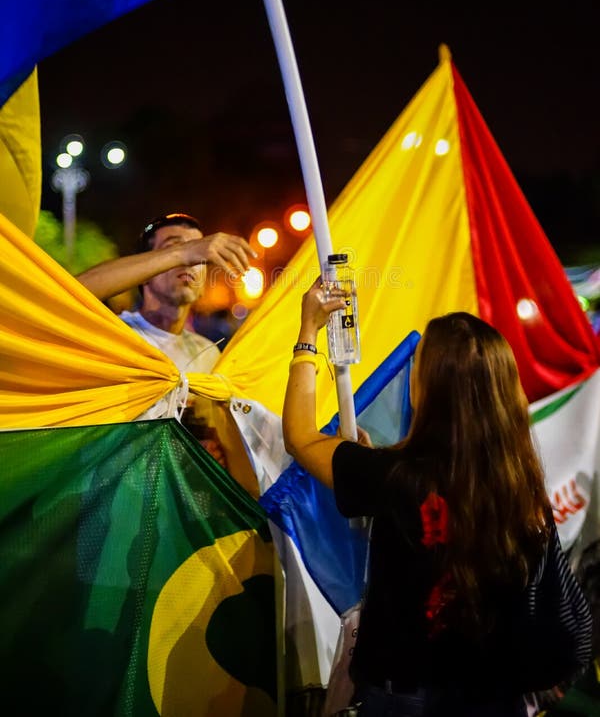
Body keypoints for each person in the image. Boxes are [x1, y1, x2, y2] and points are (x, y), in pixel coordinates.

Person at [282, 279, 592, 716]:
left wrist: (308, 332)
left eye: (419, 364)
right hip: (496, 701)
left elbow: (299, 437)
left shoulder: (394, 479)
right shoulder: (523, 488)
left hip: (404, 700)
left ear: (429, 388)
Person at [77, 213, 256, 467]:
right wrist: (183, 253)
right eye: (174, 247)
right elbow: (68, 293)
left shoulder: (208, 352)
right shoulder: (114, 335)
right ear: (147, 270)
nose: (191, 261)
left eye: (200, 254)